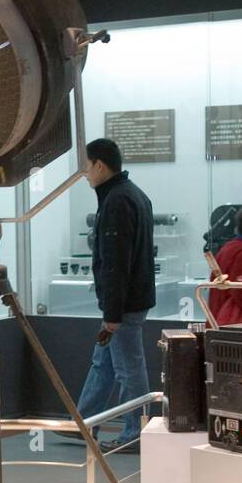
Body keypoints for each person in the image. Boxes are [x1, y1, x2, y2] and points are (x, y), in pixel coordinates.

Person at [75, 138, 155, 453]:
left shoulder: (117, 201)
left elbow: (115, 263)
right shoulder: (134, 195)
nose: (83, 173)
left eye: (85, 166)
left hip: (124, 306)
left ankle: (137, 431)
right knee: (104, 364)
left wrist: (112, 314)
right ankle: (83, 423)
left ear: (99, 165)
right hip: (129, 301)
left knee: (128, 369)